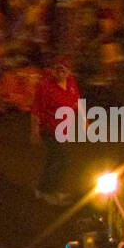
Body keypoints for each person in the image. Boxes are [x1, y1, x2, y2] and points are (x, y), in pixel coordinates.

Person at [29, 57, 79, 205]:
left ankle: (42, 189)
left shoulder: (70, 83)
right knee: (63, 160)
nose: (61, 73)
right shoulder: (46, 88)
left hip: (62, 129)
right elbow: (36, 109)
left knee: (52, 160)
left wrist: (85, 119)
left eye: (64, 70)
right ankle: (49, 192)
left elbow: (76, 100)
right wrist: (35, 130)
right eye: (58, 70)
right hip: (50, 129)